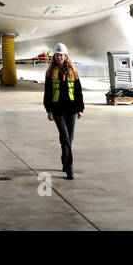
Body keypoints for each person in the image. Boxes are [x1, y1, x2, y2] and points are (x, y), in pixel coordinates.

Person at [42, 43, 84, 180]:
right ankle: (70, 169)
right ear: (54, 56)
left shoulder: (73, 72)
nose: (59, 57)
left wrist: (80, 109)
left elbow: (78, 92)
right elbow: (47, 94)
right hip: (57, 111)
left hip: (71, 110)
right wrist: (49, 110)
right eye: (57, 55)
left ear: (66, 56)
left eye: (61, 55)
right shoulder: (50, 73)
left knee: (69, 139)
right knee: (65, 137)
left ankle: (64, 160)